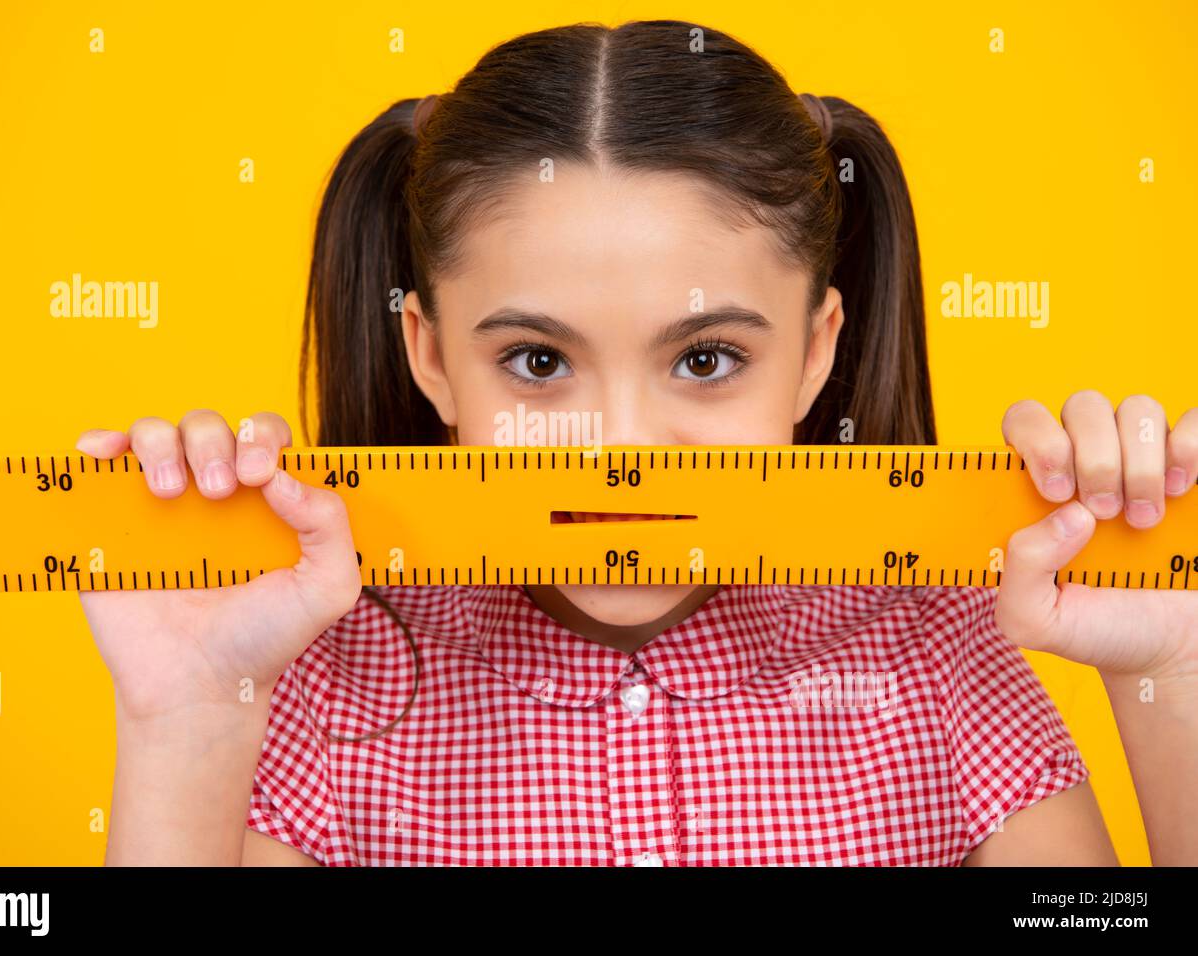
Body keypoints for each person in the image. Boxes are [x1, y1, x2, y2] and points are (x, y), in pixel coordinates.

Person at [75, 20, 1197, 866]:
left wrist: (1178, 675)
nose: (620, 447)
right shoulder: (318, 686)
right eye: (537, 360)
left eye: (705, 359)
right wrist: (182, 723)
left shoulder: (934, 649)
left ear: (815, 354)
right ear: (426, 354)